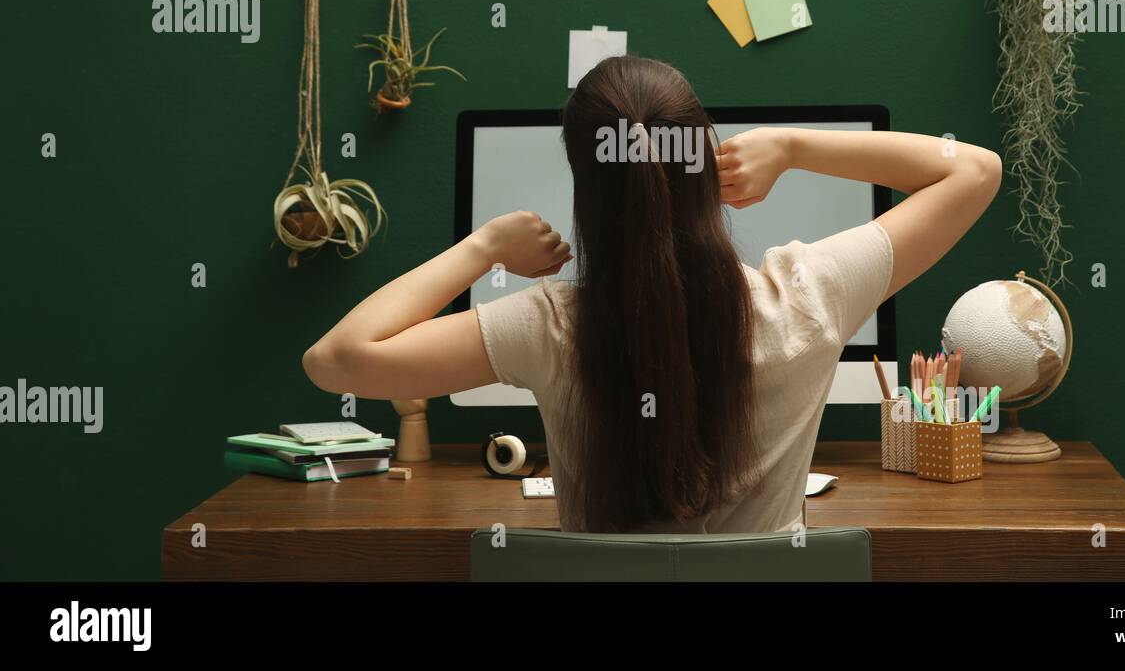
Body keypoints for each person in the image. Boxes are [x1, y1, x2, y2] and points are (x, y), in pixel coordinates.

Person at [303, 56, 1001, 533]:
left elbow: (337, 360)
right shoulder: (811, 295)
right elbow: (974, 171)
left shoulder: (547, 328)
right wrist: (791, 147)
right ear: (703, 158)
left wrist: (484, 247)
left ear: (585, 182)